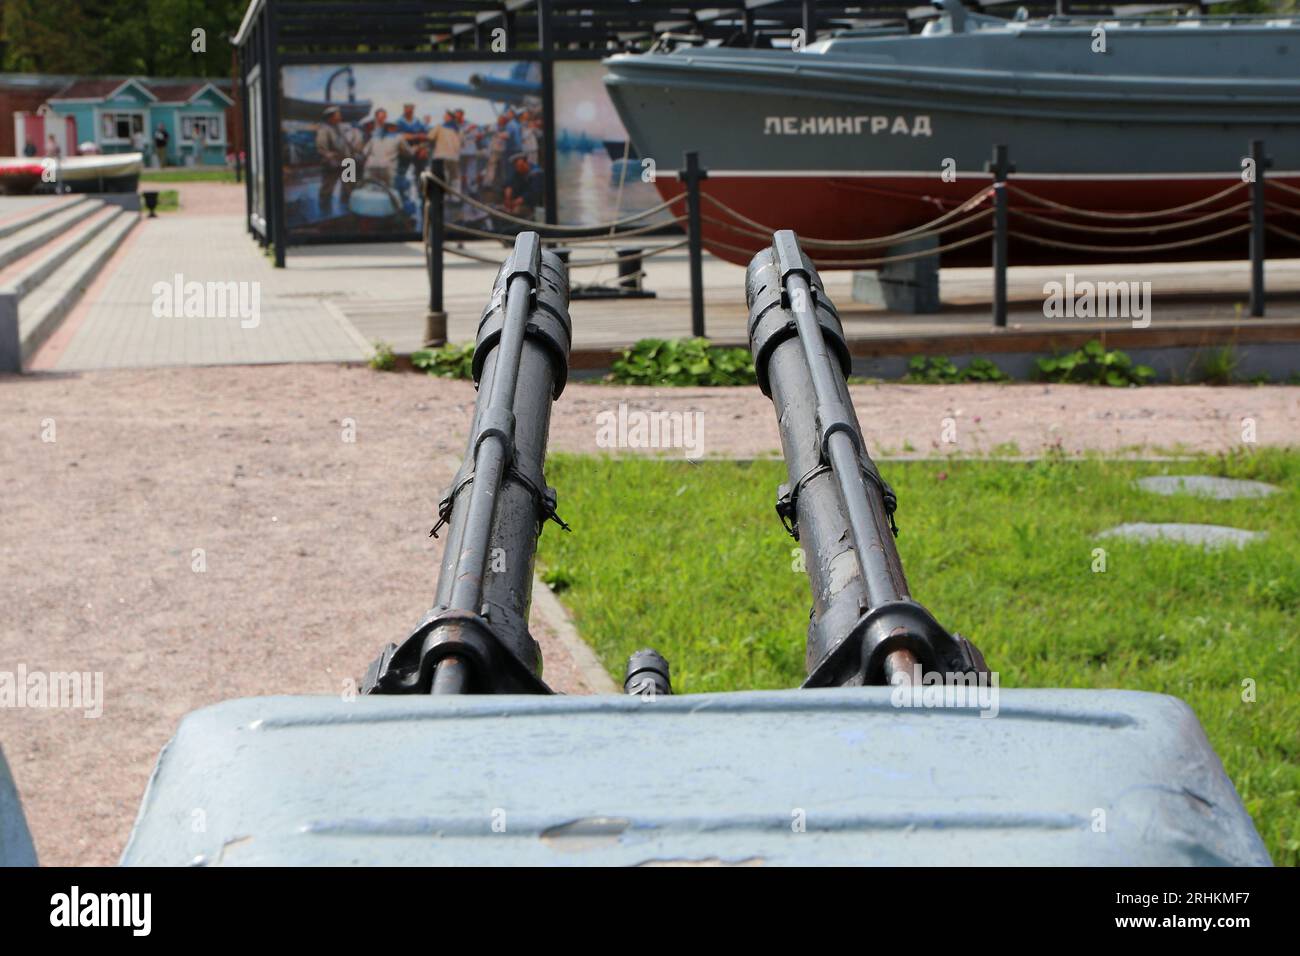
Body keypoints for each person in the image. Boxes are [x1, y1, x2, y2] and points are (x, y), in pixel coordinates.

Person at [316, 106, 362, 212]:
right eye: (337, 115)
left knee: (349, 188)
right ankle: (325, 212)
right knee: (327, 189)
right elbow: (322, 149)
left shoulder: (341, 128)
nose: (340, 117)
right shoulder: (324, 130)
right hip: (333, 164)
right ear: (330, 118)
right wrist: (332, 158)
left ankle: (347, 212)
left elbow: (349, 143)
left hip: (347, 162)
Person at [362, 108, 410, 190]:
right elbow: (408, 152)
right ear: (394, 127)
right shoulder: (398, 137)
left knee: (368, 189)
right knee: (389, 190)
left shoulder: (374, 137)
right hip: (388, 168)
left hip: (371, 167)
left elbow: (364, 152)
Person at [426, 109, 462, 200]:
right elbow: (462, 142)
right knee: (454, 177)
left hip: (441, 156)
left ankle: (443, 196)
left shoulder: (439, 127)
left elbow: (430, 137)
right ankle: (455, 197)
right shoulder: (458, 129)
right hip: (454, 157)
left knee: (443, 176)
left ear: (449, 117)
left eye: (445, 116)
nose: (443, 117)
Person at [503, 153, 543, 220]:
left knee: (515, 211)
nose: (518, 169)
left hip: (532, 206)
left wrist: (516, 202)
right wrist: (507, 197)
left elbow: (533, 192)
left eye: (520, 166)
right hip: (517, 202)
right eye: (516, 167)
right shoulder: (518, 172)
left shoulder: (536, 173)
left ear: (526, 163)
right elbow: (510, 183)